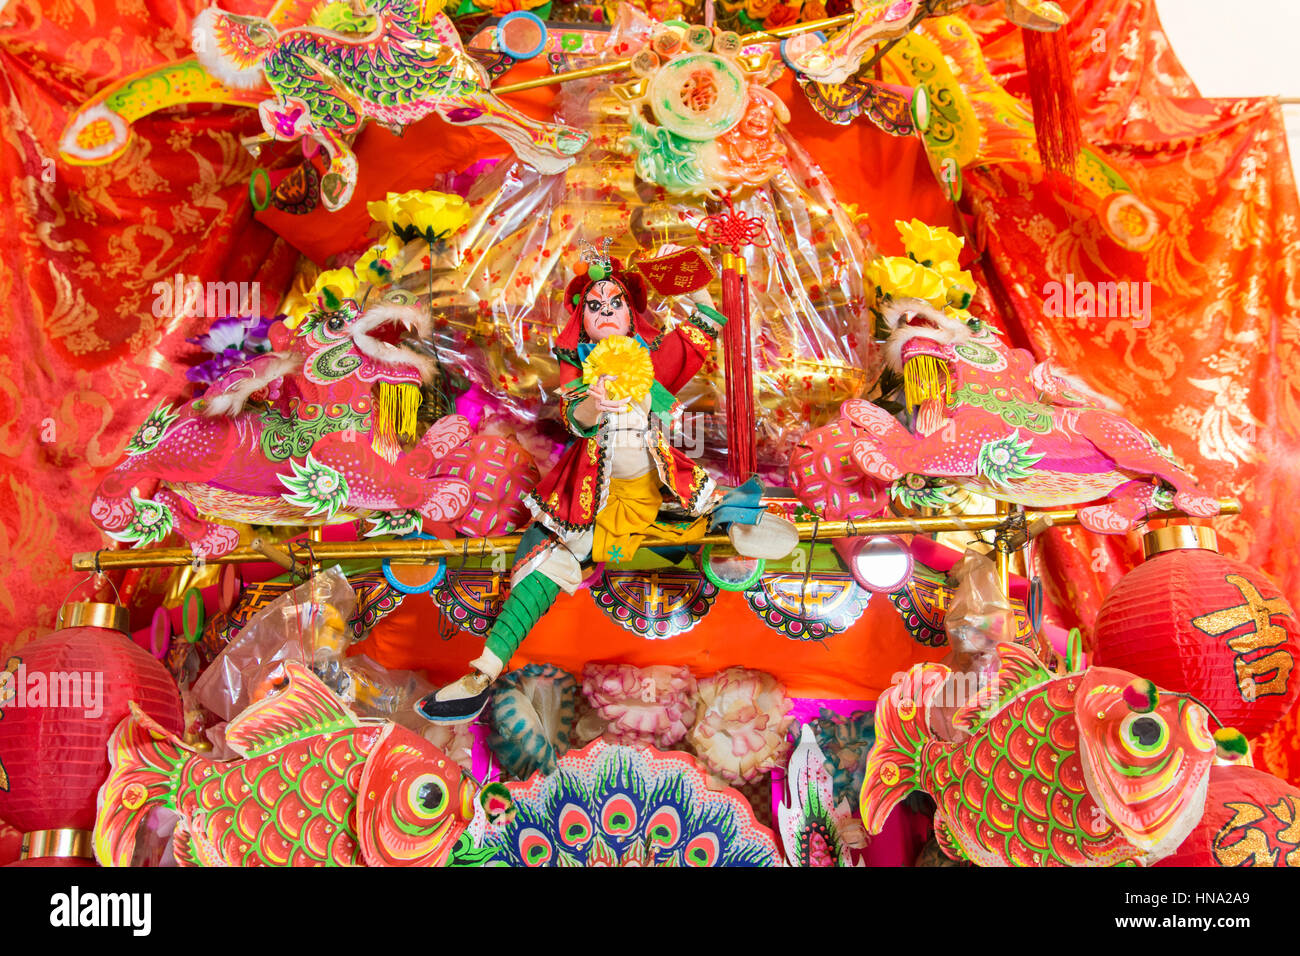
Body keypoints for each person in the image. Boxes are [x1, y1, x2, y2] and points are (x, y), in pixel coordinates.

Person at [416, 241, 796, 723]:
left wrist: (685, 278)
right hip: (590, 493)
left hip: (656, 482)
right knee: (542, 561)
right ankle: (481, 673)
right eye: (595, 306)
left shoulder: (651, 360)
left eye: (615, 303)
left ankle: (740, 524)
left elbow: (701, 330)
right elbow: (576, 418)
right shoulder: (579, 364)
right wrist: (596, 402)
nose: (607, 311)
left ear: (631, 313)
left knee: (700, 498)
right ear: (582, 320)